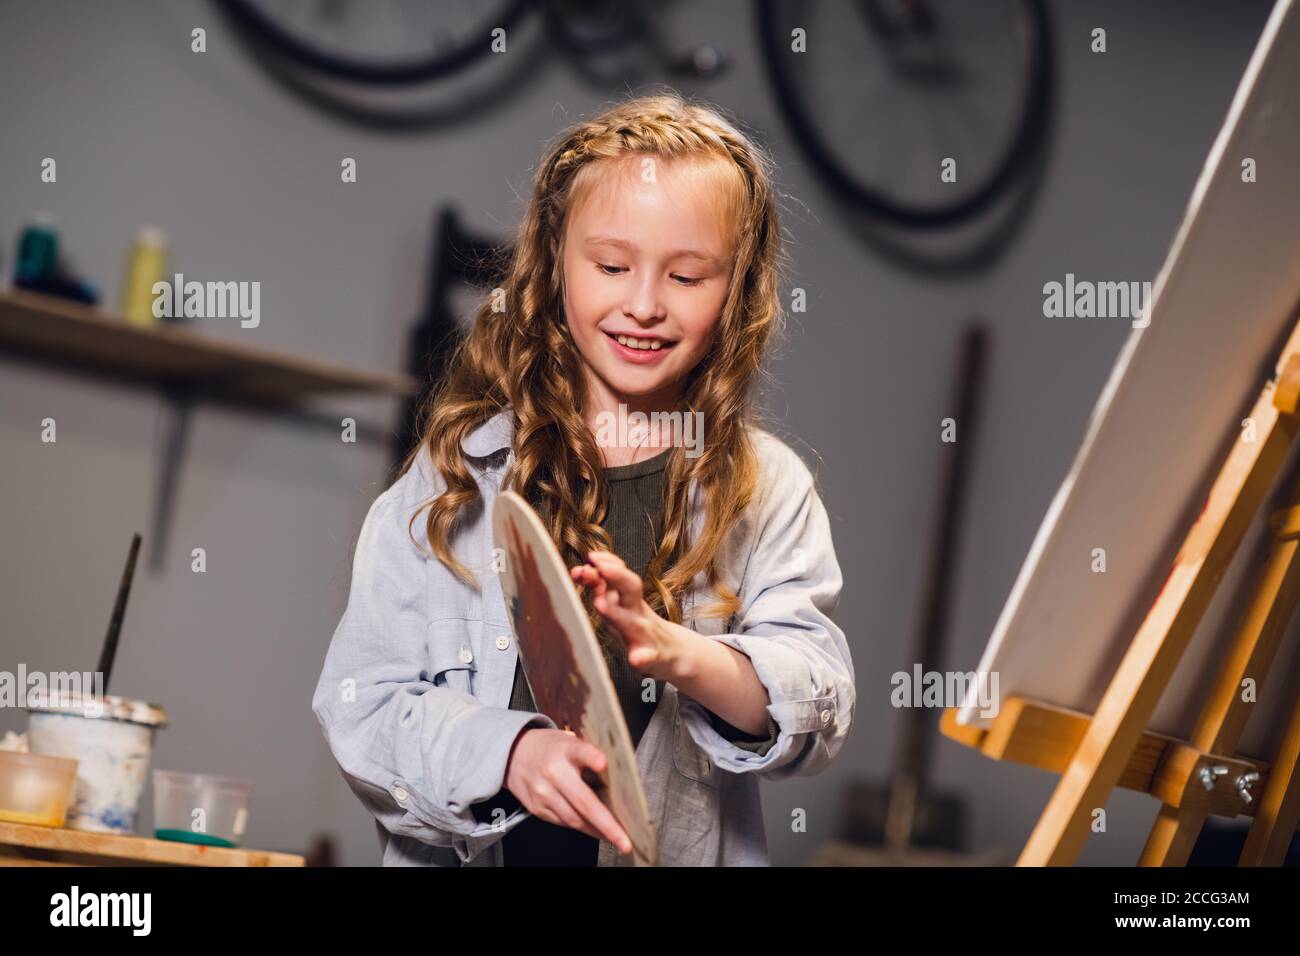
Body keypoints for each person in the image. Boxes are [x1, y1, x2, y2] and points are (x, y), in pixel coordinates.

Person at [312, 91, 854, 866]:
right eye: (610, 265)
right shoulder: (457, 473)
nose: (643, 306)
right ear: (554, 262)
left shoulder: (766, 489)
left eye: (688, 277)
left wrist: (677, 654)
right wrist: (508, 755)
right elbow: (359, 704)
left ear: (737, 291)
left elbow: (818, 703)